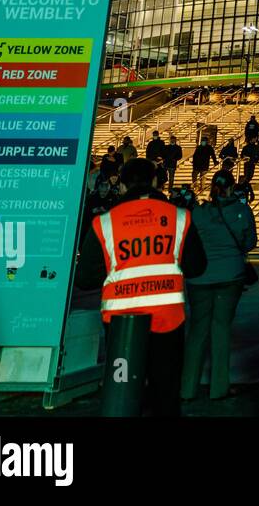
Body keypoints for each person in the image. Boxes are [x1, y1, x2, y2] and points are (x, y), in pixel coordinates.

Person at [75, 158, 208, 416]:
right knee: (166, 392)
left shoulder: (104, 223)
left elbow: (85, 278)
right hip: (167, 320)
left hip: (121, 324)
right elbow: (197, 267)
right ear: (157, 181)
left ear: (122, 186)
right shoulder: (179, 217)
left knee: (123, 389)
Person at [181, 174, 257, 402]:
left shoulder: (199, 212)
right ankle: (219, 388)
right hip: (230, 275)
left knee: (197, 332)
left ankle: (186, 389)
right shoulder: (241, 211)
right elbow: (250, 242)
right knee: (221, 329)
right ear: (232, 187)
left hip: (200, 277)